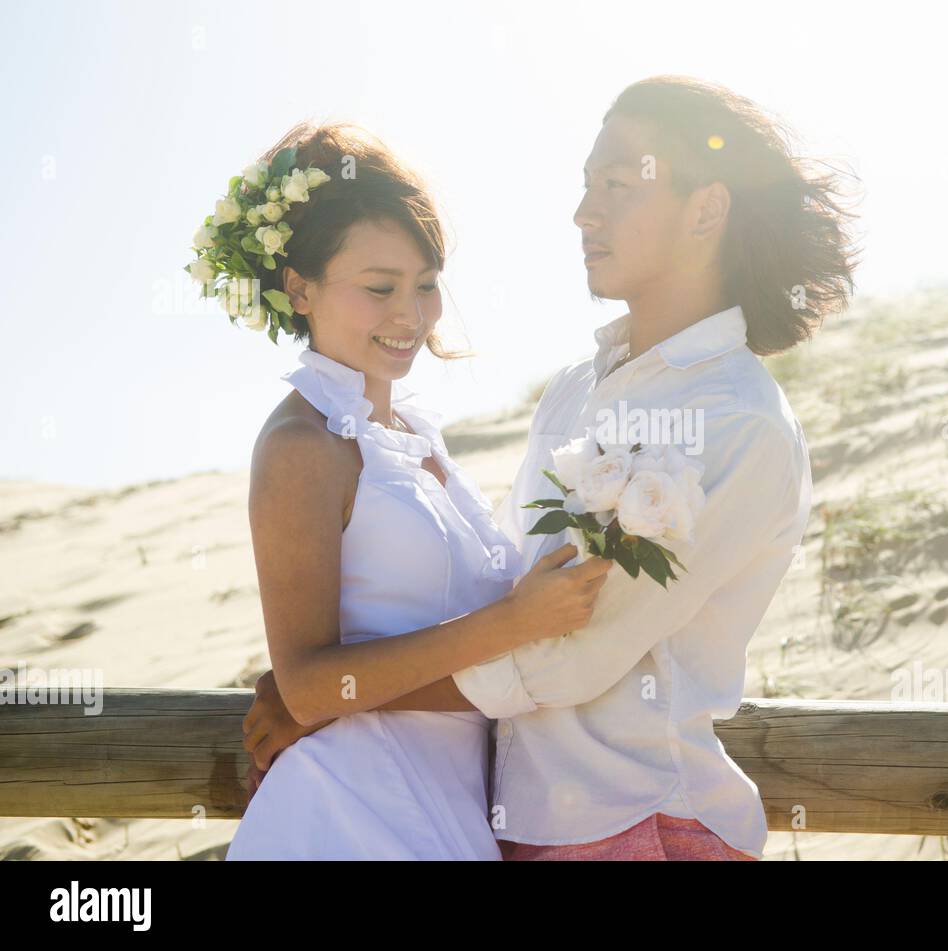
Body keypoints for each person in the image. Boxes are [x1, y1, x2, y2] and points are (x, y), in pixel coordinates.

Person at [246, 76, 858, 861]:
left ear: (706, 210)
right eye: (583, 186)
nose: (583, 213)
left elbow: (566, 652)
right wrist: (328, 688)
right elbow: (516, 593)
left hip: (638, 822)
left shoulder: (737, 419)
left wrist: (335, 699)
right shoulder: (575, 389)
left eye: (616, 185)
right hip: (505, 823)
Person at [211, 121, 613, 860]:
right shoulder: (301, 445)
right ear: (298, 287)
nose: (411, 316)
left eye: (425, 286)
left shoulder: (417, 437)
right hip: (348, 812)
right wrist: (516, 624)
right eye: (379, 288)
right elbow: (305, 687)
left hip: (452, 808)